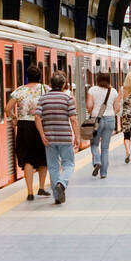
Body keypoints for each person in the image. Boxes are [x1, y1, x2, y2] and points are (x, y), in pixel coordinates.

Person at [5, 62, 49, 201]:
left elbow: (7, 109)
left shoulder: (19, 90)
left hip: (24, 126)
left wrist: (14, 117)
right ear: (40, 76)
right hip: (41, 124)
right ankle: (41, 188)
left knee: (27, 159)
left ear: (27, 77)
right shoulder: (46, 89)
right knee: (42, 157)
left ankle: (30, 192)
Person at [34, 71, 79, 204]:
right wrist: (77, 136)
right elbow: (73, 119)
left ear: (50, 84)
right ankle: (62, 183)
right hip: (65, 137)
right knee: (69, 164)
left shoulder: (43, 98)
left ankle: (57, 197)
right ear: (64, 84)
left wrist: (42, 135)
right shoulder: (68, 99)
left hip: (49, 138)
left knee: (53, 166)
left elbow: (37, 117)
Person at [87, 72, 121, 179]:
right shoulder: (113, 91)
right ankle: (104, 173)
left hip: (97, 119)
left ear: (97, 79)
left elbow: (89, 105)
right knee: (105, 148)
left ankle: (97, 161)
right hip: (110, 119)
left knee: (94, 144)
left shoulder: (92, 90)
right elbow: (117, 108)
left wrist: (92, 113)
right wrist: (111, 115)